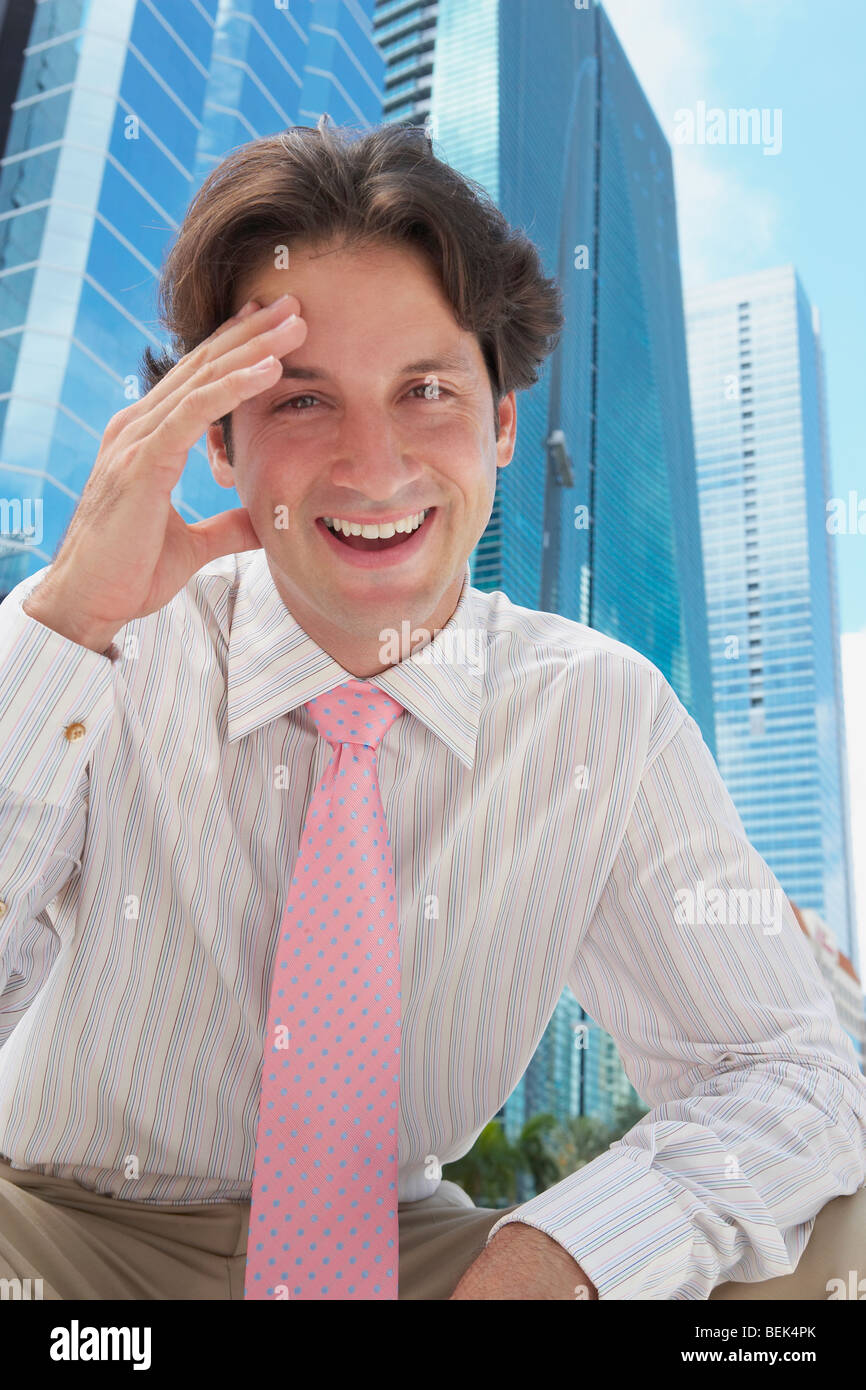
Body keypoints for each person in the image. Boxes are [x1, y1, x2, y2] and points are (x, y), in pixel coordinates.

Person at [0, 119, 864, 1302]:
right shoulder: (96, 652)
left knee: (835, 1246)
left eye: (425, 391)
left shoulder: (595, 712)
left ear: (502, 424)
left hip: (409, 1255)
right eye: (301, 403)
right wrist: (68, 625)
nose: (372, 465)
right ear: (216, 440)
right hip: (57, 1236)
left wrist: (562, 1254)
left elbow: (788, 1070)